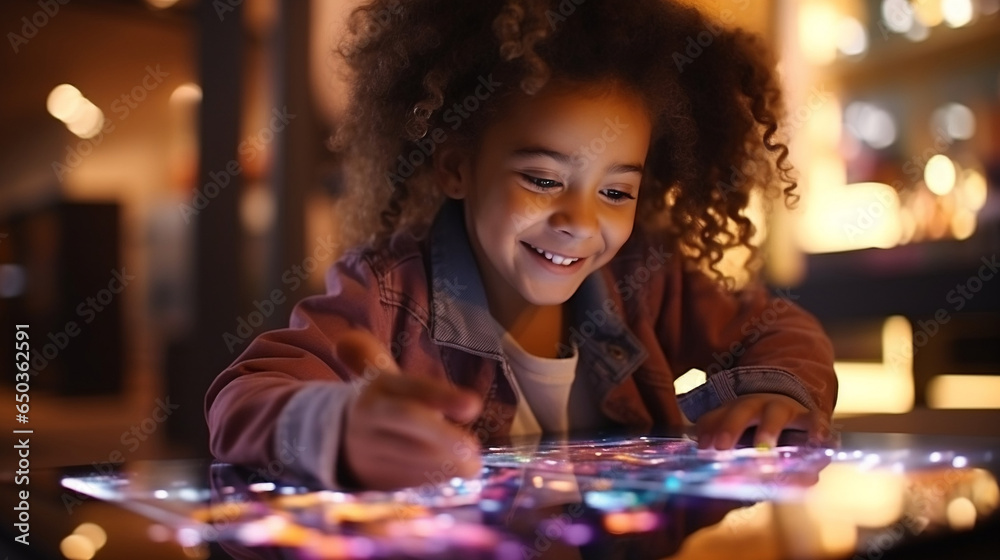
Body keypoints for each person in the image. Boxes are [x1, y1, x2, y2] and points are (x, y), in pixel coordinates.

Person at [205, 0, 838, 491]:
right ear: (456, 167)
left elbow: (778, 328)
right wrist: (336, 427)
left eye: (616, 192)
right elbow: (245, 396)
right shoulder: (386, 291)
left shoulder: (648, 276)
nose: (580, 221)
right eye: (542, 180)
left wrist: (777, 392)